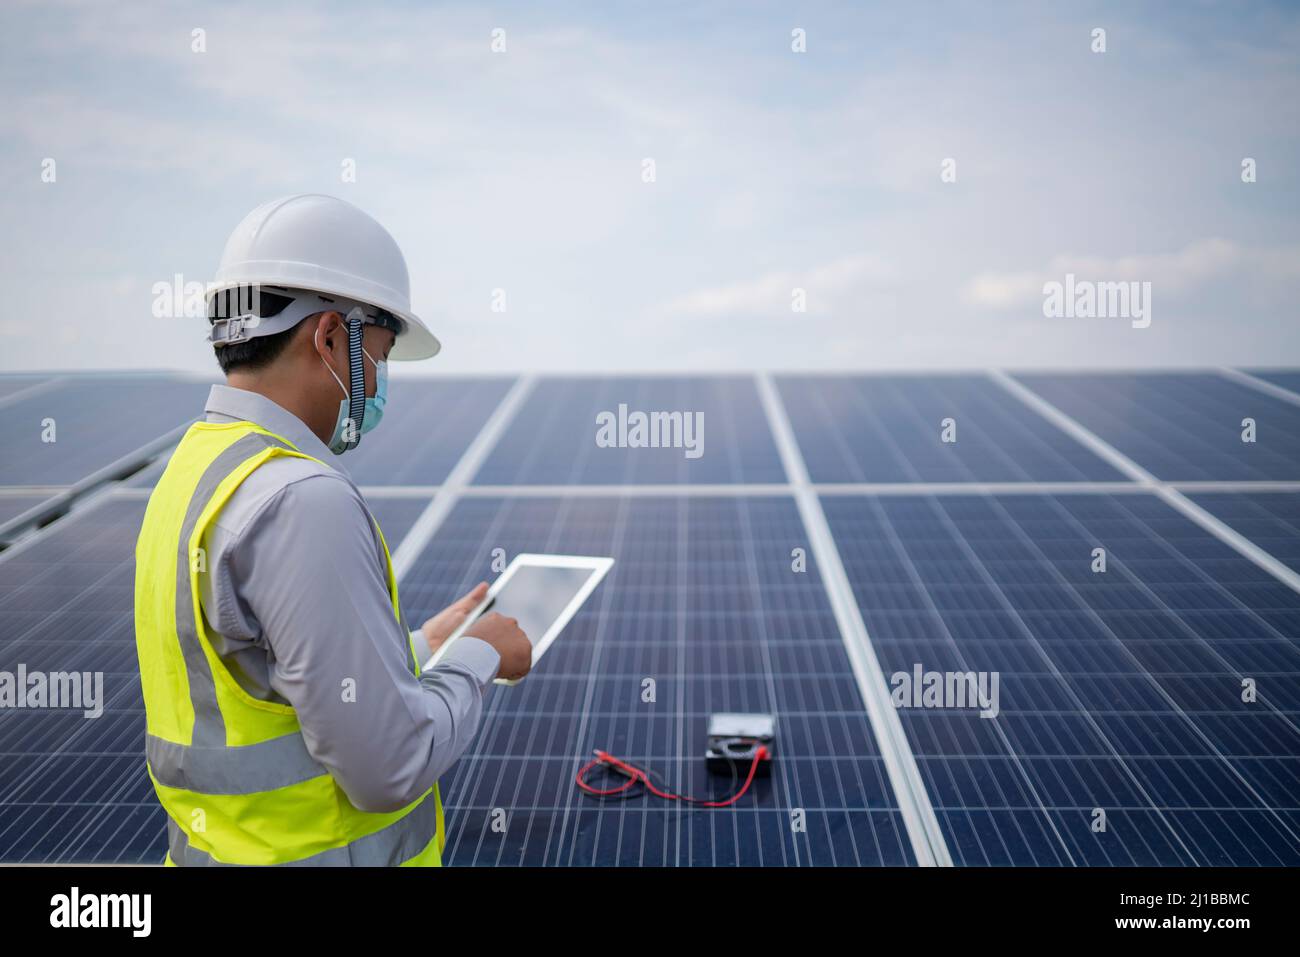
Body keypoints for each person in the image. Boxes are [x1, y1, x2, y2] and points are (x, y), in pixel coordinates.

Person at [133, 194, 531, 866]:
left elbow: (259, 680)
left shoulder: (195, 469)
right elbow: (388, 769)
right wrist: (479, 655)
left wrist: (422, 645)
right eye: (379, 354)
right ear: (327, 338)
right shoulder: (302, 500)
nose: (378, 380)